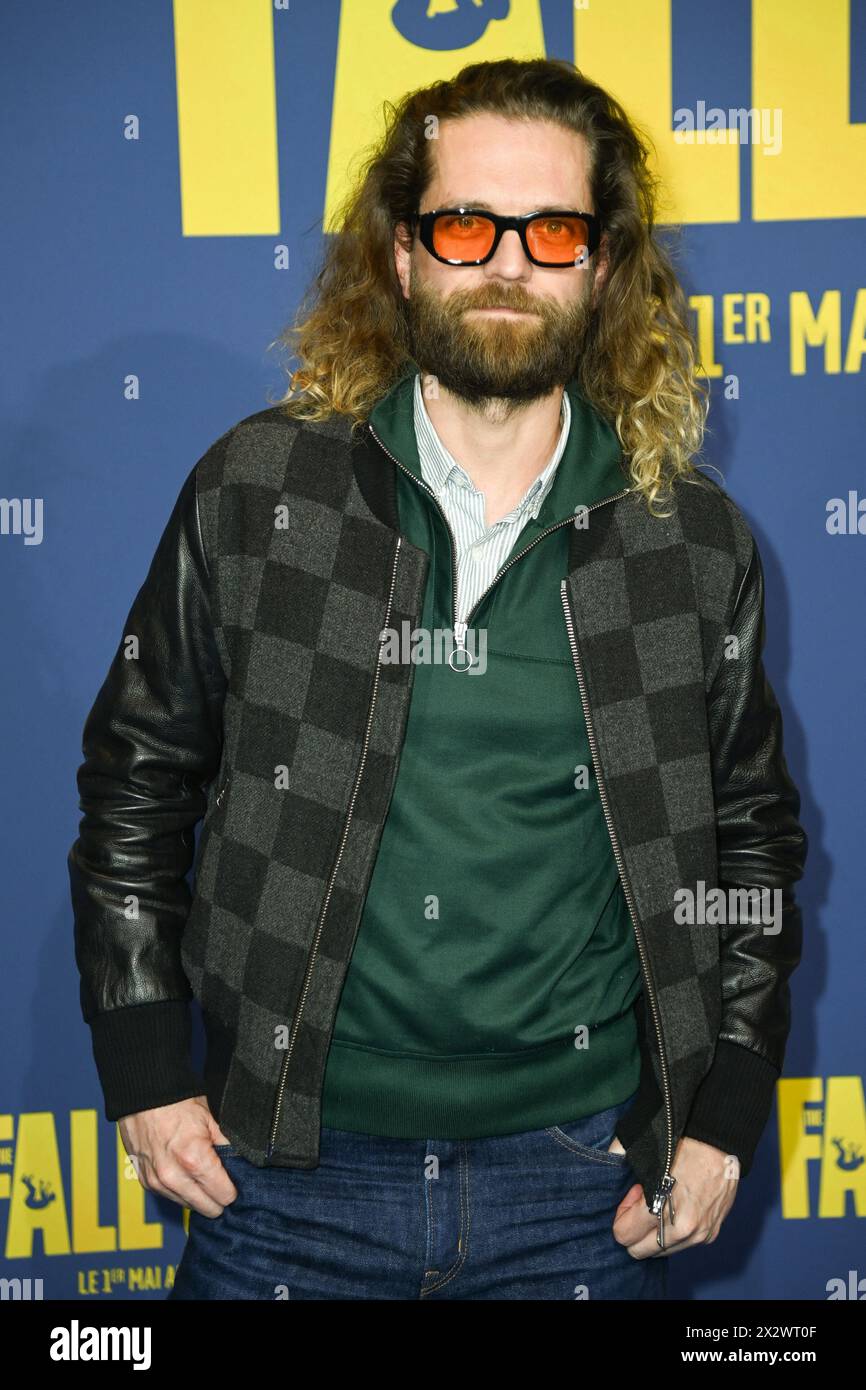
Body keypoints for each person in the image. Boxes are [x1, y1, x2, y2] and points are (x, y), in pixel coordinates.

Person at [68, 57, 807, 1300]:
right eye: (465, 224)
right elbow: (135, 785)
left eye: (552, 229)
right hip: (284, 1176)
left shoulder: (688, 544)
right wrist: (144, 1060)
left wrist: (723, 1103)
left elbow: (750, 850)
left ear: (602, 267)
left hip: (581, 1186)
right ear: (401, 255)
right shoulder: (261, 493)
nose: (506, 264)